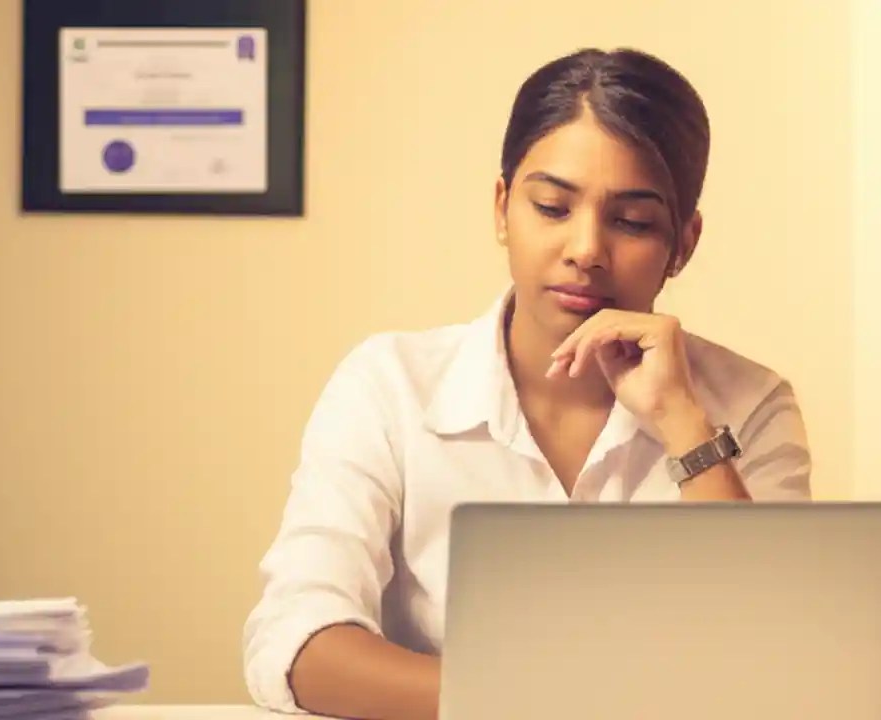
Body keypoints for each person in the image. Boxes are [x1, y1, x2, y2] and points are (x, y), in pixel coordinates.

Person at [242, 47, 812, 720]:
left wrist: (683, 420)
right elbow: (296, 642)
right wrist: (537, 701)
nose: (586, 249)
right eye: (551, 206)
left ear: (682, 244)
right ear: (502, 207)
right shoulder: (387, 385)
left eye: (631, 221)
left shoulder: (752, 405)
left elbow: (778, 666)